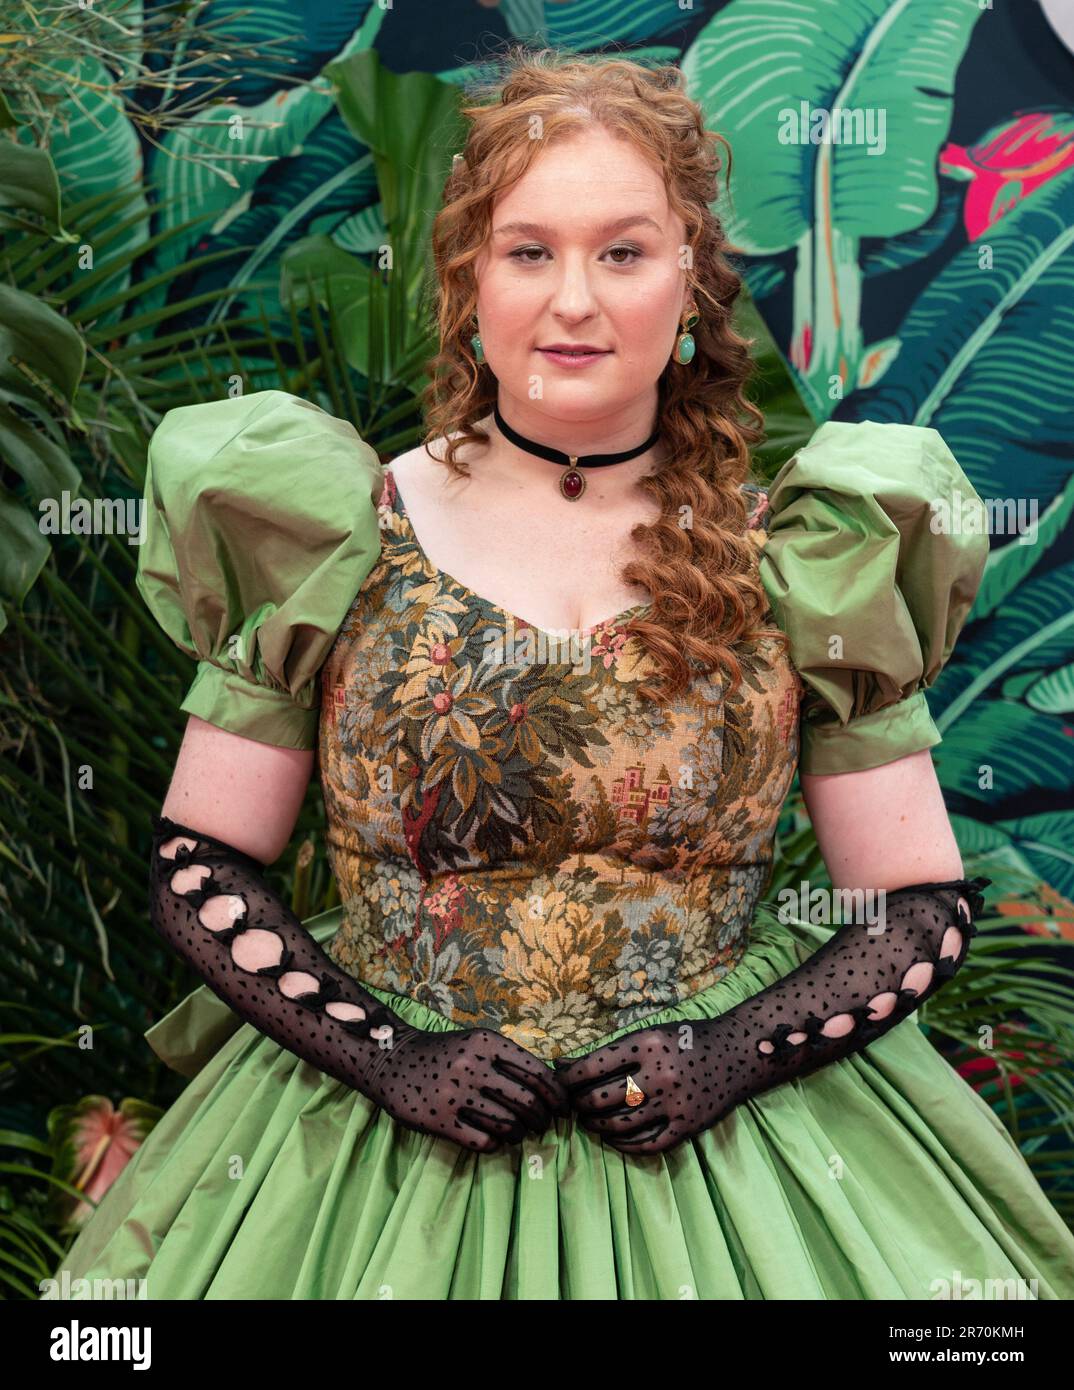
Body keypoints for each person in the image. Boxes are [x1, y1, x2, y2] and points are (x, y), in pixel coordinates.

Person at [53, 52, 1074, 1300]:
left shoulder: (806, 556)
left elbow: (917, 903)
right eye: (530, 251)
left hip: (733, 1166)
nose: (574, 300)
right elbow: (200, 862)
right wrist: (390, 1054)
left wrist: (732, 1050)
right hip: (376, 1164)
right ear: (469, 279)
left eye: (623, 252)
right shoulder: (334, 530)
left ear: (689, 277)